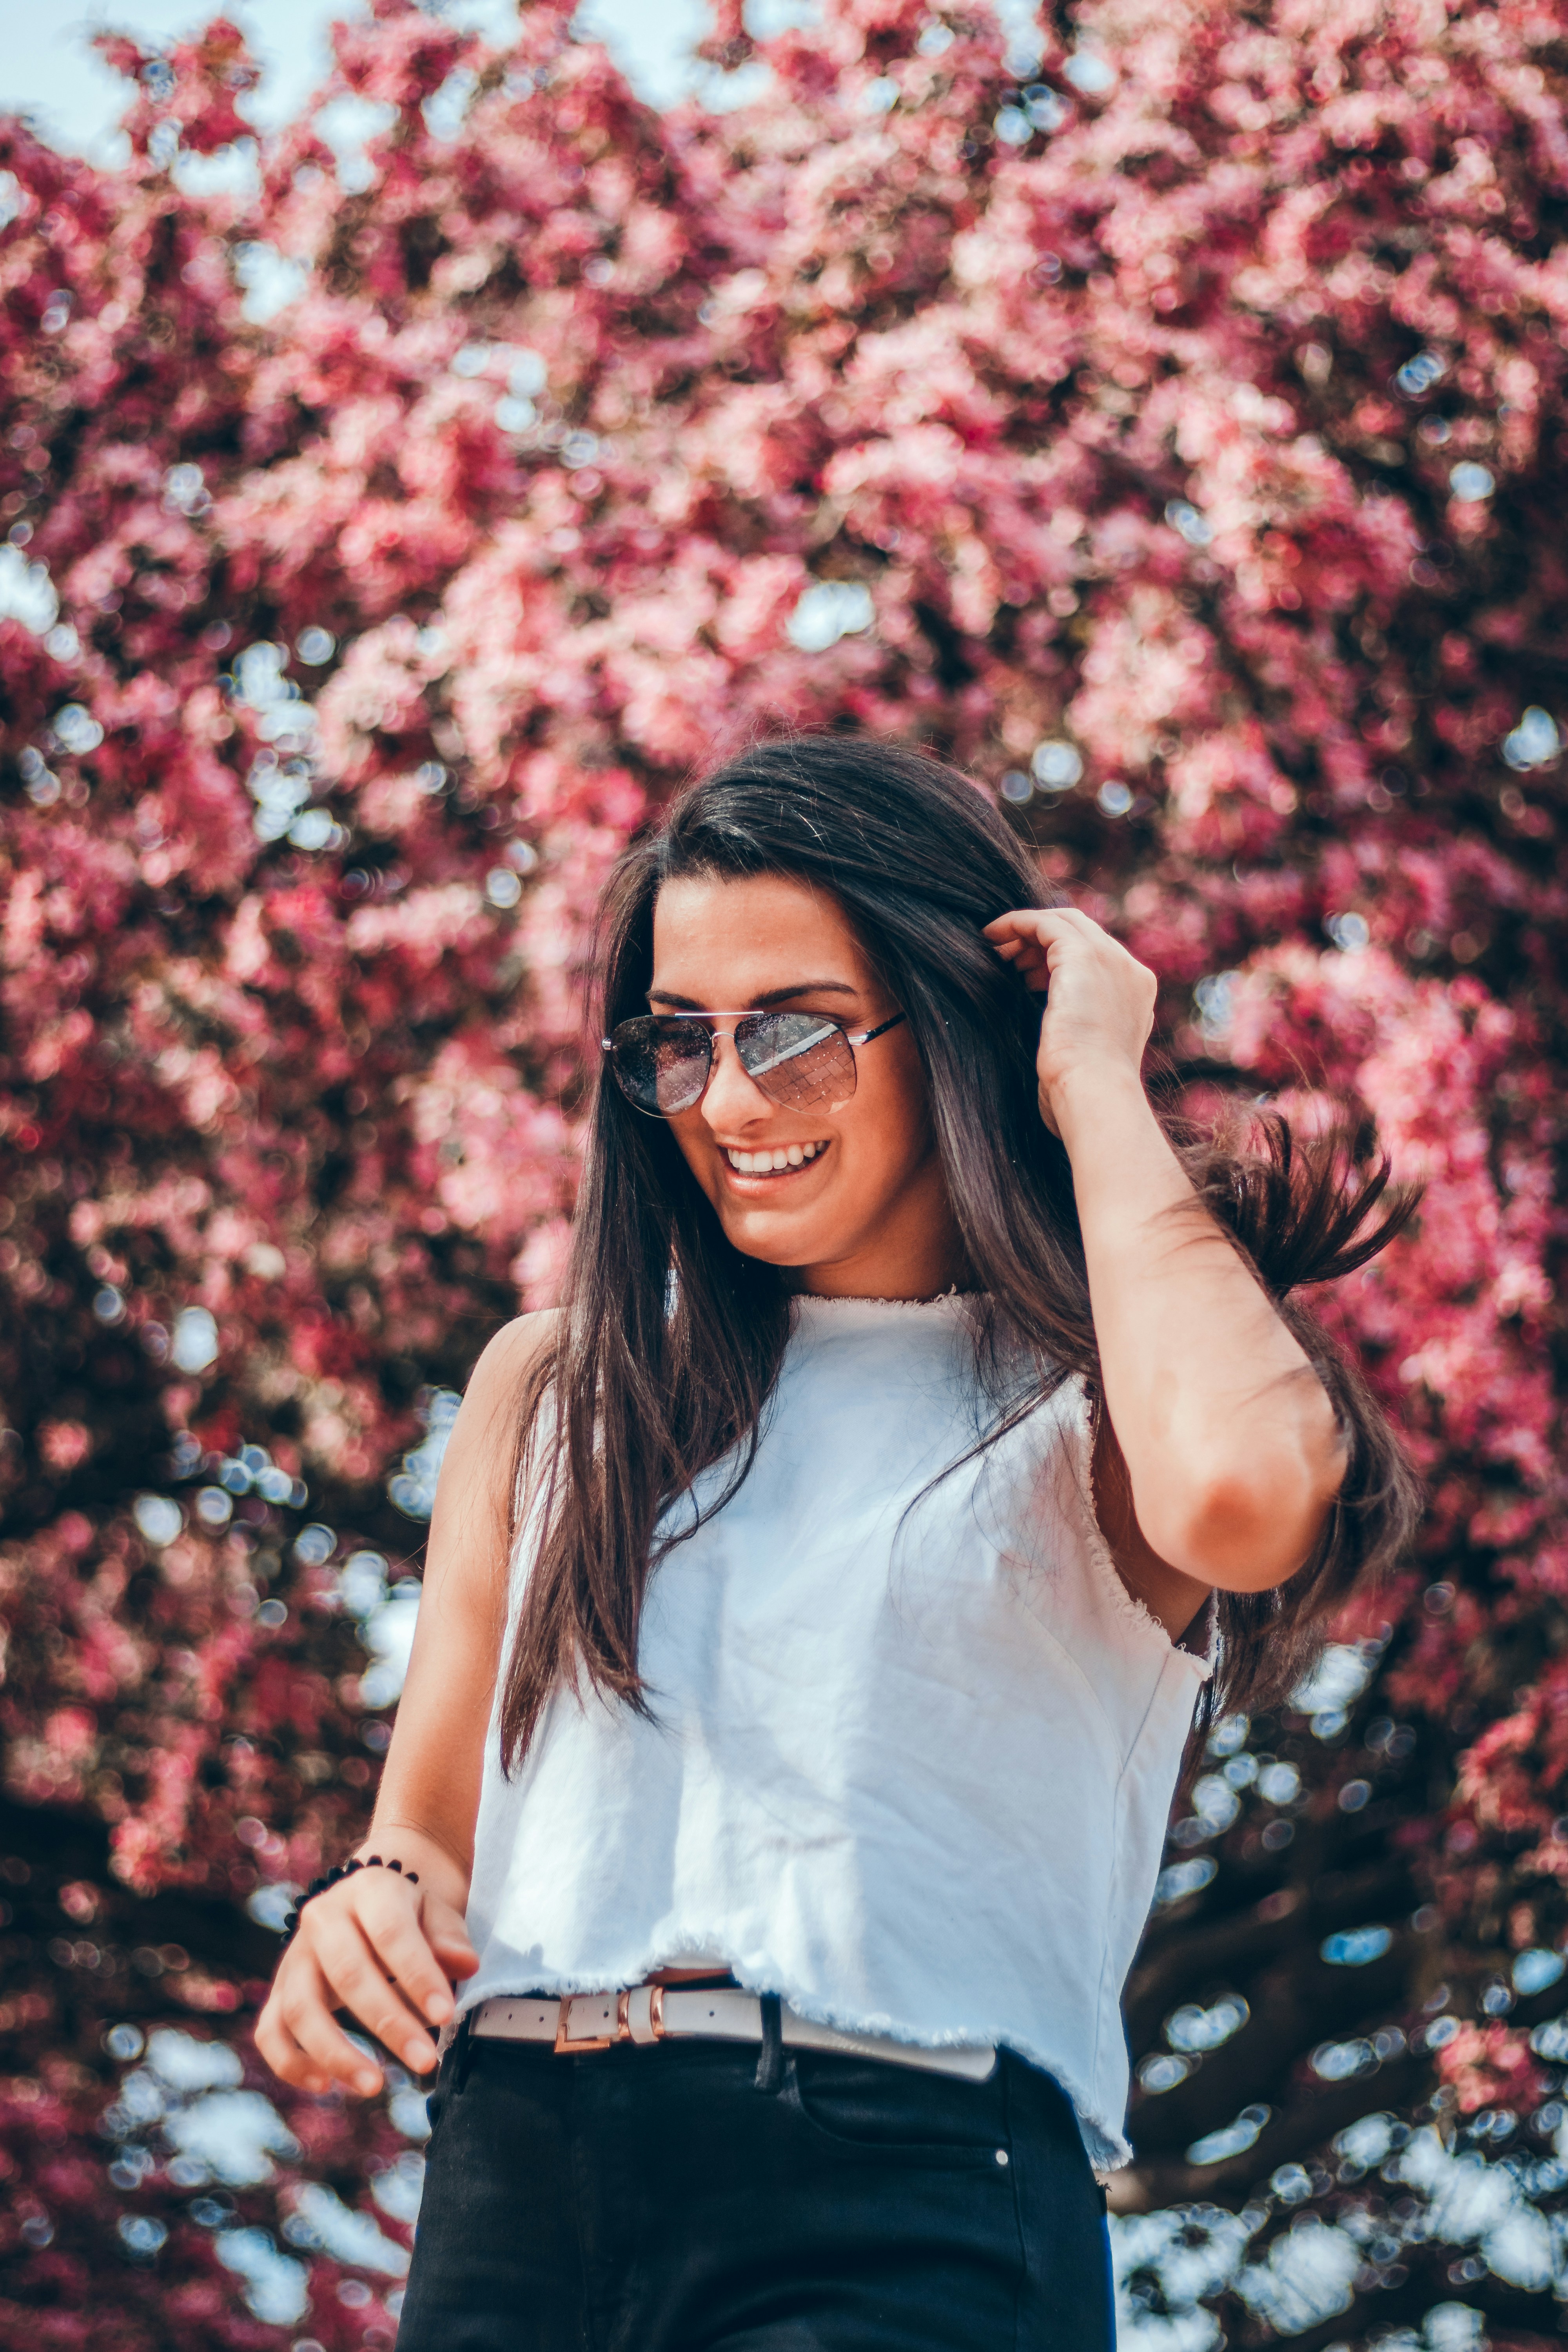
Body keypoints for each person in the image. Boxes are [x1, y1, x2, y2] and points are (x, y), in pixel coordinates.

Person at [258, 737, 1418, 2349]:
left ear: (953, 1020)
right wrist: (364, 1904)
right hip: (514, 2198)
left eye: (796, 1035)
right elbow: (426, 1834)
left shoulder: (1100, 1405)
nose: (730, 1103)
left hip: (901, 2189)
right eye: (682, 1042)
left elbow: (1241, 1495)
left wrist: (1089, 1083)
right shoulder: (553, 1395)